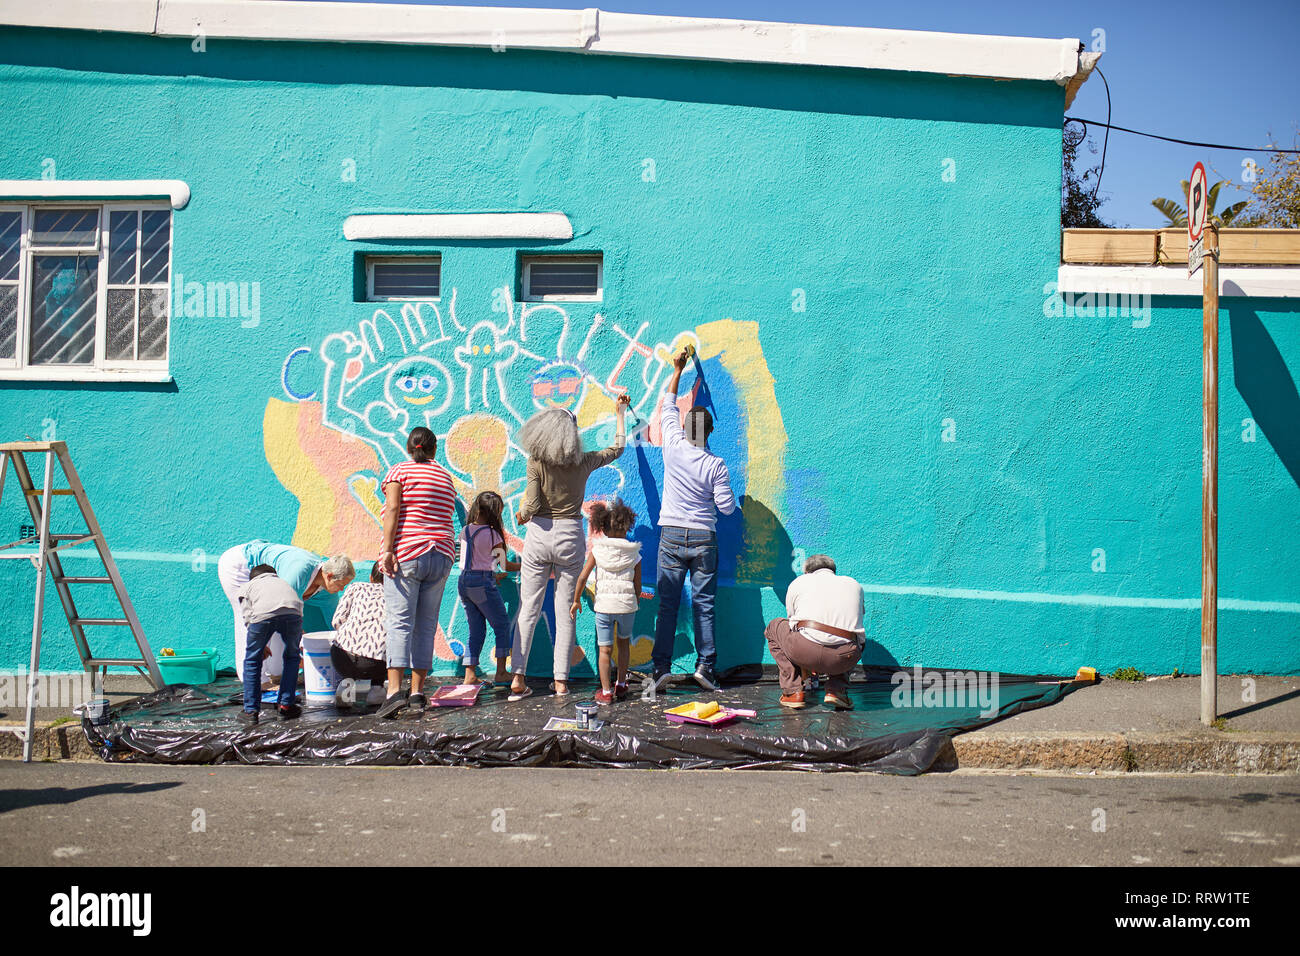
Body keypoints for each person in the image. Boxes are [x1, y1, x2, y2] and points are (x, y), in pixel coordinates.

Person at [509, 394, 630, 701]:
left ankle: (518, 678)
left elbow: (533, 504)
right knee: (567, 612)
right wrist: (619, 413)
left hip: (539, 536)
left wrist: (521, 515)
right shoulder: (584, 460)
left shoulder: (535, 461)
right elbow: (617, 449)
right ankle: (560, 682)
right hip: (570, 535)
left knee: (528, 610)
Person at [651, 349, 736, 692]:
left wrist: (677, 370)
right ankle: (705, 667)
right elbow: (726, 509)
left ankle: (660, 670)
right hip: (704, 538)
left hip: (671, 535)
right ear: (711, 432)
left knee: (668, 605)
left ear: (685, 428)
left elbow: (668, 405)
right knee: (704, 605)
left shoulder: (672, 443)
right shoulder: (716, 466)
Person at [377, 426, 459, 718]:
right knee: (426, 625)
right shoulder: (445, 478)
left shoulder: (400, 471)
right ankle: (416, 694)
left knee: (400, 622)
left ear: (410, 447)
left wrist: (387, 550)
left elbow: (394, 508)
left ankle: (394, 693)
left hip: (408, 553)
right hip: (442, 555)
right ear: (434, 449)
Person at [217, 540, 354, 685]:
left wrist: (348, 648)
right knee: (254, 619)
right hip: (242, 566)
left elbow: (336, 622)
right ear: (329, 575)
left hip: (270, 584)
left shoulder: (327, 593)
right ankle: (256, 681)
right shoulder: (299, 573)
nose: (341, 590)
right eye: (340, 584)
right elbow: (275, 610)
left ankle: (278, 674)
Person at [764, 554, 865, 710]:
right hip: (844, 657)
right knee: (854, 638)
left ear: (807, 572)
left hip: (803, 650)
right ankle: (837, 690)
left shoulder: (800, 582)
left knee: (774, 626)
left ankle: (793, 692)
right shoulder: (854, 585)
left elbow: (793, 623)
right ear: (833, 571)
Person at [570, 498, 641, 704]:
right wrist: (635, 600)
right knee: (624, 645)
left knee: (605, 649)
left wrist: (576, 600)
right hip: (628, 607)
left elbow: (583, 577)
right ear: (626, 527)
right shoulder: (634, 552)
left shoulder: (598, 550)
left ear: (604, 527)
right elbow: (637, 584)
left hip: (604, 607)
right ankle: (621, 684)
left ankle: (606, 691)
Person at [457, 490, 521, 686]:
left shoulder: (465, 530)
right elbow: (506, 565)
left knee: (475, 630)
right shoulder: (493, 535)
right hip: (483, 584)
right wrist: (530, 565)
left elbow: (473, 560)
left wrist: (491, 573)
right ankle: (501, 672)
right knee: (501, 625)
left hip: (464, 582)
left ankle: (469, 674)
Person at [237, 565, 305, 725]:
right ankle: (286, 706)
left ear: (253, 577)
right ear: (273, 574)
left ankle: (250, 711)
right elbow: (298, 605)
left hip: (262, 616)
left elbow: (248, 617)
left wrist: (260, 646)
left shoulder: (248, 586)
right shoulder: (283, 583)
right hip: (293, 613)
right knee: (292, 657)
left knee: (253, 661)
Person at [329, 563, 390, 705]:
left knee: (342, 644)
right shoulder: (396, 595)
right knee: (389, 642)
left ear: (370, 577)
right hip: (376, 664)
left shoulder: (355, 587)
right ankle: (377, 689)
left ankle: (346, 684)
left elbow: (337, 621)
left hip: (341, 658)